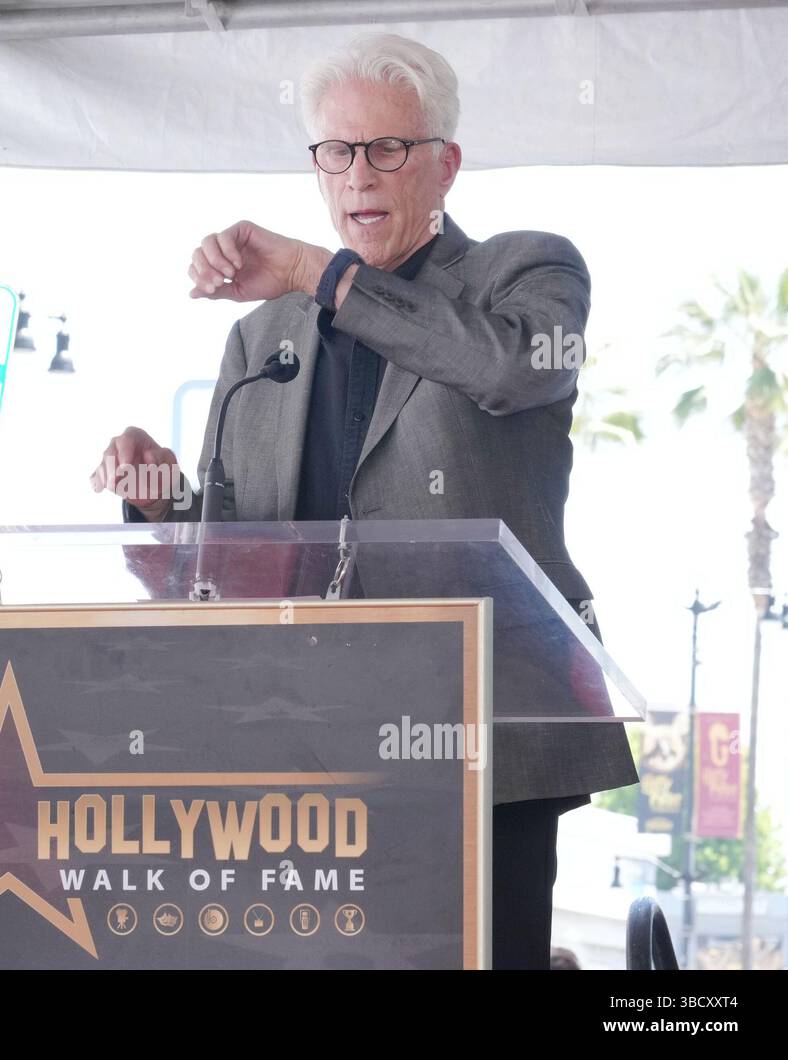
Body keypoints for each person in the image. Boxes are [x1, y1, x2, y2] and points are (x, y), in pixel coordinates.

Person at [91, 32, 638, 969]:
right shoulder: (262, 333)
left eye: (387, 149)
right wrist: (157, 500)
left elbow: (506, 368)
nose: (358, 174)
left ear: (445, 166)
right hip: (302, 747)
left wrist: (321, 274)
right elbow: (227, 559)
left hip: (480, 743)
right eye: (337, 152)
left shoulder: (529, 273)